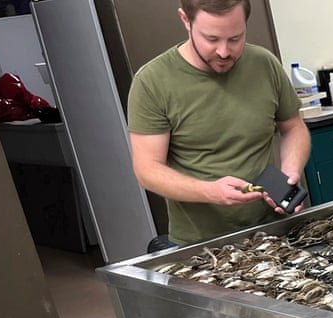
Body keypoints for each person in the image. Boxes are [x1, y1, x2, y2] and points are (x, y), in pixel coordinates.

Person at [127, 0, 310, 248]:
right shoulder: (151, 82)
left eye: (235, 38)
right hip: (202, 243)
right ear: (185, 20)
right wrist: (209, 191)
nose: (224, 52)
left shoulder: (264, 64)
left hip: (275, 228)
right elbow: (147, 169)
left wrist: (290, 170)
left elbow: (294, 128)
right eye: (211, 39)